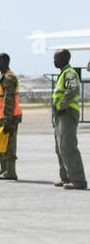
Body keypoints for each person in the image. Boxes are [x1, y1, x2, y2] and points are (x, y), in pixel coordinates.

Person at [51, 49, 85, 190]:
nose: (54, 61)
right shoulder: (63, 74)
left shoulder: (69, 73)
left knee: (68, 147)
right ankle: (66, 178)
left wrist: (63, 105)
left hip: (67, 113)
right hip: (60, 115)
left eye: (56, 58)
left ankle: (78, 180)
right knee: (60, 148)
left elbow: (74, 89)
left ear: (64, 58)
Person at [0, 52, 22, 180]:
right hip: (0, 117)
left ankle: (11, 171)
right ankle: (3, 169)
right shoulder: (2, 78)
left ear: (4, 61)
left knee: (9, 144)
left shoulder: (9, 78)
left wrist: (7, 121)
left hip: (9, 117)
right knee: (1, 143)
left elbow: (9, 101)